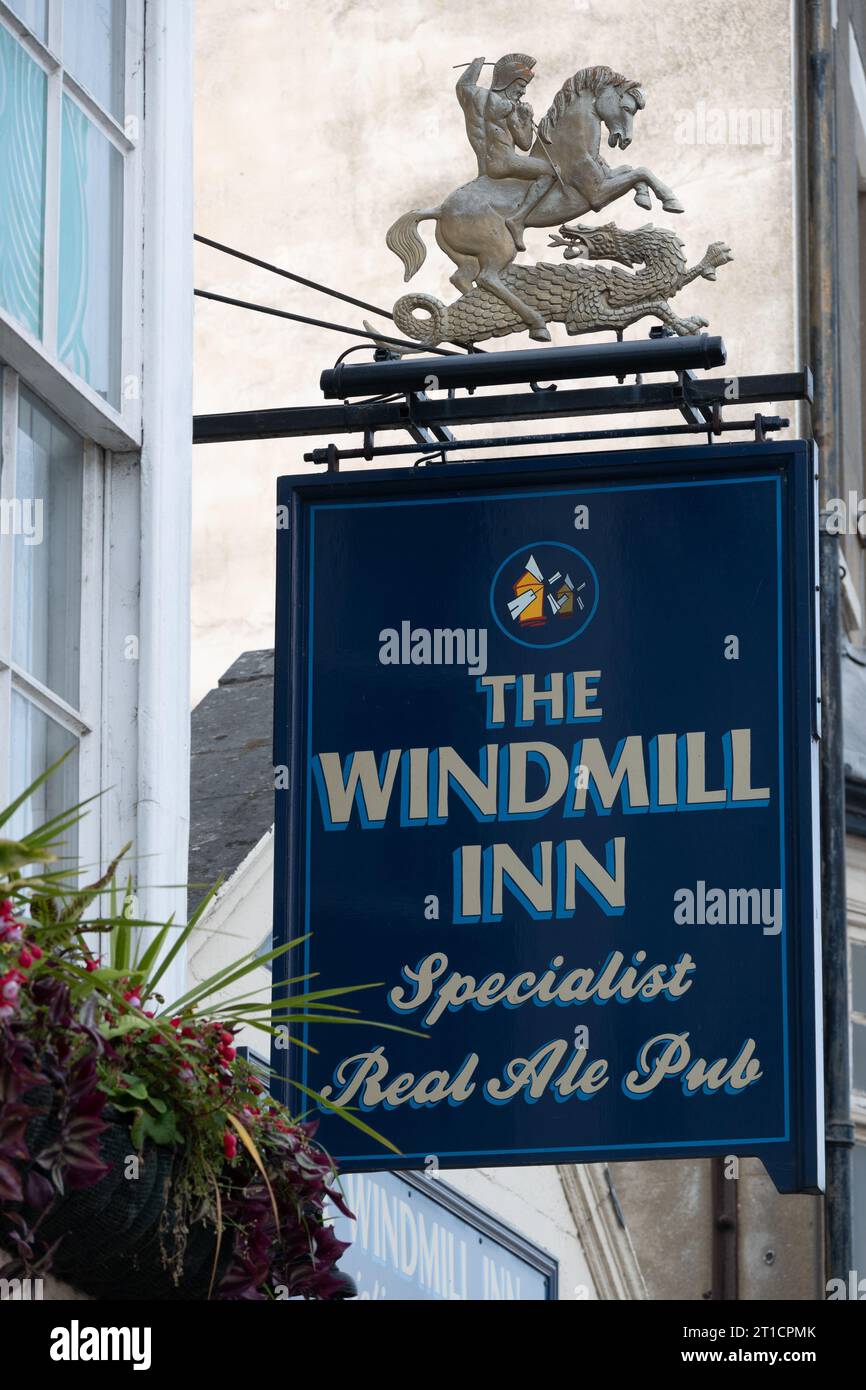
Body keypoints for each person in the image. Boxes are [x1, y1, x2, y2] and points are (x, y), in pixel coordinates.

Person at [456, 53, 559, 252]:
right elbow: (525, 144)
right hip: (504, 162)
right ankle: (518, 219)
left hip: (485, 165)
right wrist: (527, 117)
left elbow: (463, 85)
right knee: (550, 172)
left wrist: (478, 62)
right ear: (507, 81)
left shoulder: (477, 98)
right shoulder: (508, 107)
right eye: (521, 85)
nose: (523, 91)